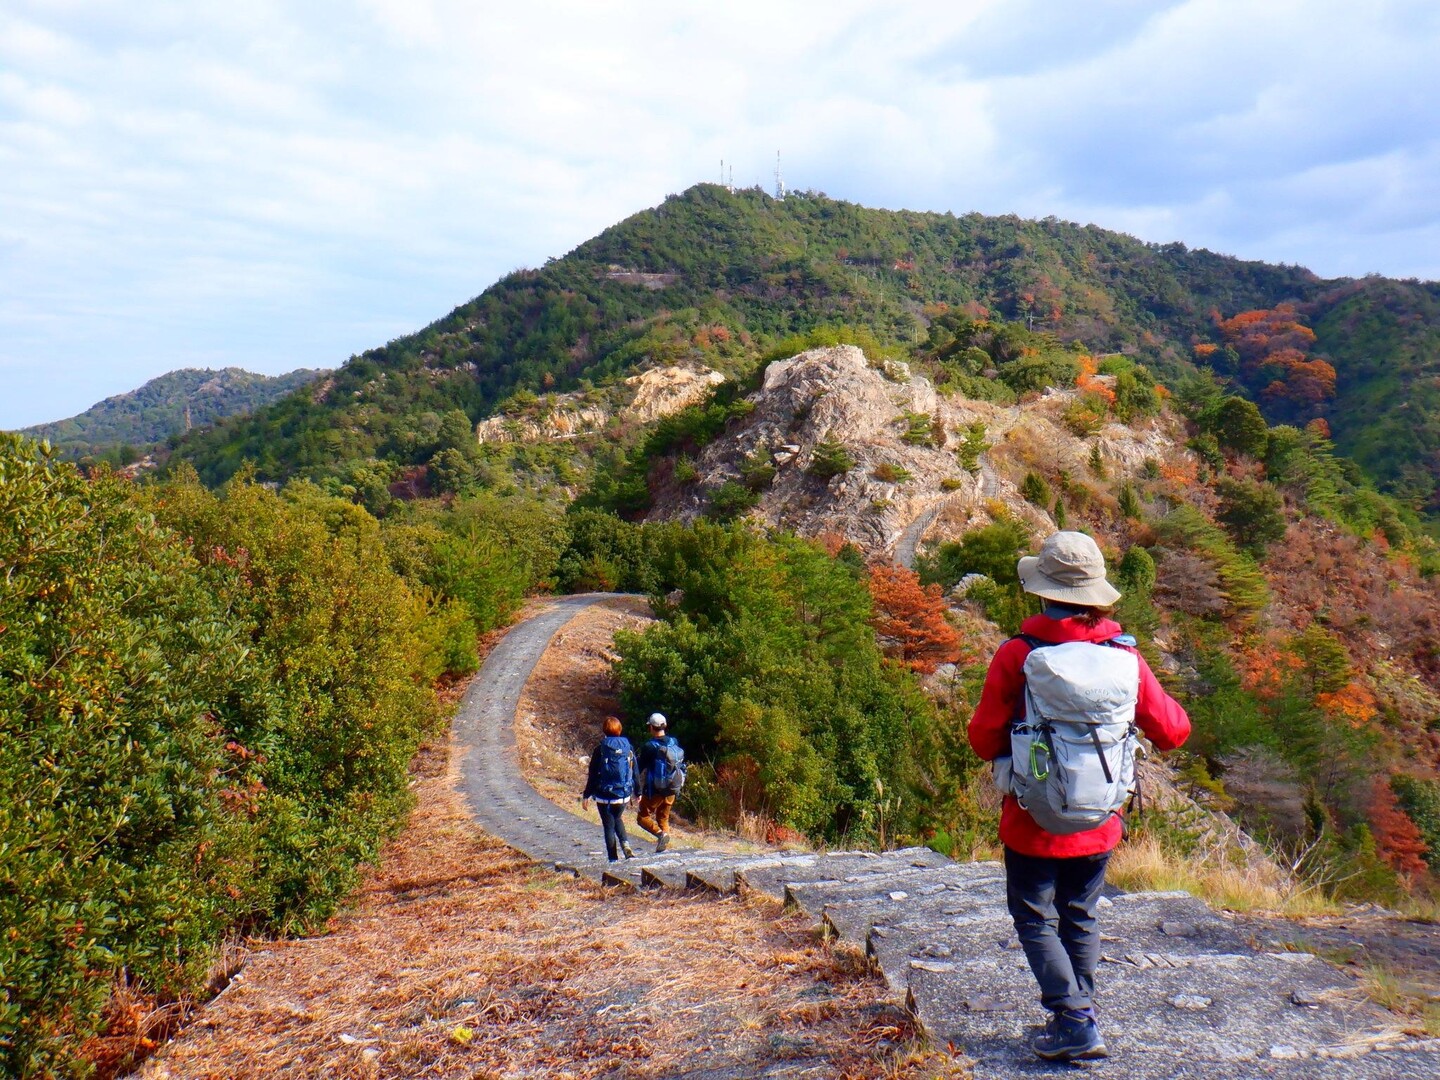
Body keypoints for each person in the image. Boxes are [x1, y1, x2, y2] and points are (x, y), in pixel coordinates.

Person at [968, 531, 1190, 1063]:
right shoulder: (1124, 656)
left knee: (1034, 917)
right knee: (1080, 914)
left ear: (1044, 591)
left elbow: (983, 738)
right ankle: (1078, 1015)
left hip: (1033, 818)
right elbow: (1173, 730)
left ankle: (1074, 1019)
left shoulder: (1020, 654)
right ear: (1095, 595)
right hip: (1099, 819)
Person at [581, 715, 637, 862]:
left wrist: (586, 795)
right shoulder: (628, 748)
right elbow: (634, 770)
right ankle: (626, 846)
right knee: (617, 817)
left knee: (608, 826)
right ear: (619, 729)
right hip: (623, 793)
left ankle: (613, 859)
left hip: (603, 794)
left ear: (604, 730)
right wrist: (638, 792)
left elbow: (593, 774)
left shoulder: (600, 749)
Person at [635, 712, 684, 853]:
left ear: (651, 727)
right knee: (663, 818)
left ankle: (661, 834)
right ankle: (663, 847)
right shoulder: (674, 742)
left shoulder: (649, 746)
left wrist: (636, 789)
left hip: (654, 790)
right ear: (665, 726)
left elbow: (638, 769)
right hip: (672, 788)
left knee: (642, 817)